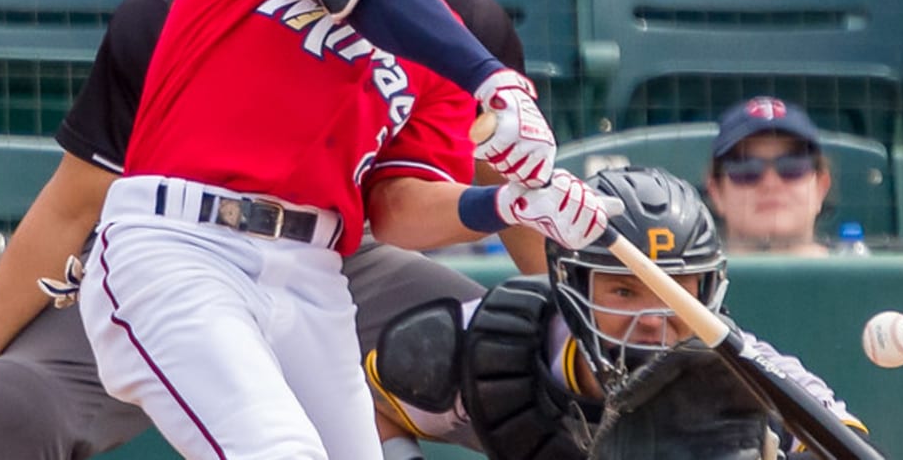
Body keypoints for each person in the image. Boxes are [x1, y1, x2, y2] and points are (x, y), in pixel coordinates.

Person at [0, 0, 547, 459]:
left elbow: (420, 197)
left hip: (332, 258)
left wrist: (532, 233)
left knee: (536, 364)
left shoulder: (456, 24)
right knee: (33, 403)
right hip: (186, 235)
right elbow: (72, 204)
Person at [79, 0, 612, 460]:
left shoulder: (443, 42)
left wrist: (506, 204)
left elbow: (396, 210)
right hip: (182, 243)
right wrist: (493, 78)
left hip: (313, 274)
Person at [365, 165, 868, 459]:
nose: (652, 317)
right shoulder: (493, 351)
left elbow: (844, 441)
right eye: (624, 291)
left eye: (675, 293)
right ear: (572, 285)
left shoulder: (749, 375)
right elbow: (371, 404)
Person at [706, 96, 833, 256]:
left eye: (792, 166)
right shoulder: (684, 273)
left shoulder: (859, 270)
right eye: (747, 169)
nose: (771, 183)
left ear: (821, 188)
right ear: (716, 193)